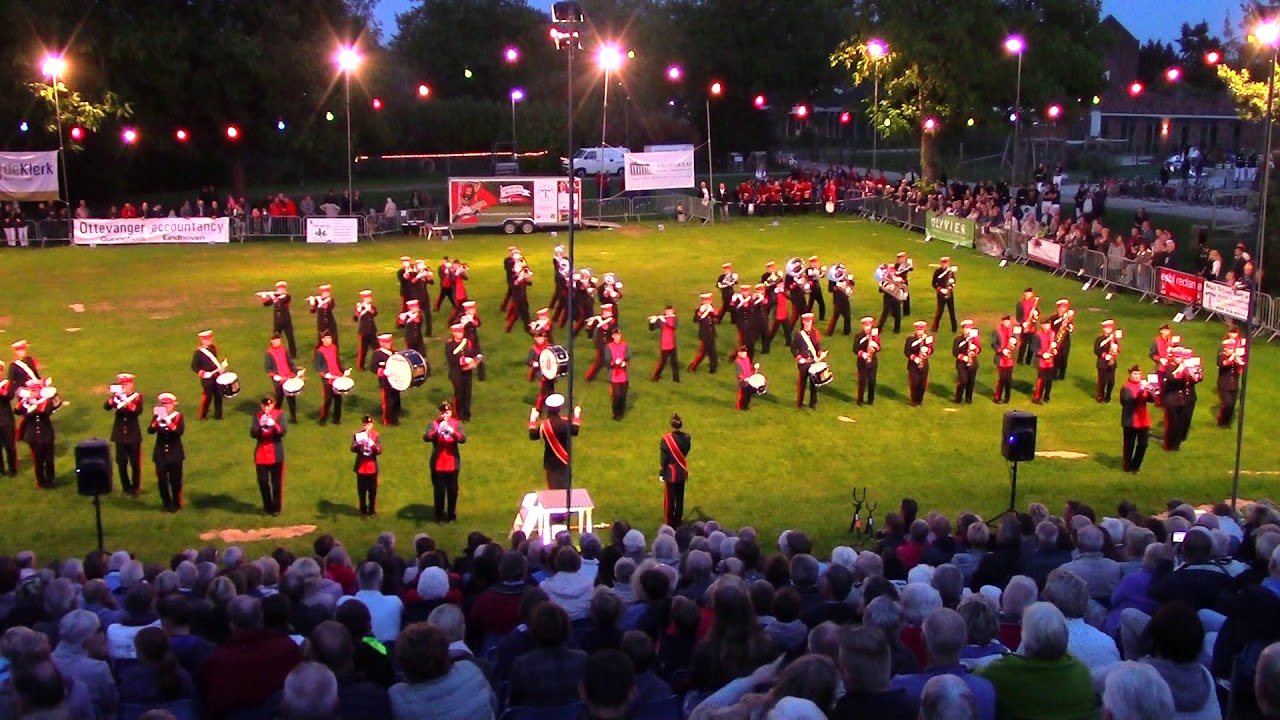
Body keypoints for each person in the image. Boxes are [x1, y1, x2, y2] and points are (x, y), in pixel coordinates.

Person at [424, 402, 466, 523]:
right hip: (438, 464)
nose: (444, 415)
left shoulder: (456, 424)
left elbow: (463, 439)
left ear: (451, 413)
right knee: (439, 491)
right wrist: (438, 432)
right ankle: (439, 516)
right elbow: (426, 437)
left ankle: (451, 515)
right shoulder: (433, 424)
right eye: (442, 413)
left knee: (453, 490)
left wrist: (452, 431)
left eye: (447, 413)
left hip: (452, 463)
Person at [529, 394, 581, 490]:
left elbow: (532, 435)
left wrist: (533, 419)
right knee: (566, 489)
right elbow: (575, 431)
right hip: (565, 460)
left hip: (550, 463)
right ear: (560, 408)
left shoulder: (544, 426)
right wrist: (577, 415)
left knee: (553, 490)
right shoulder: (566, 422)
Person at [104, 373, 144, 496]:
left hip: (133, 434)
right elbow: (106, 407)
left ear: (132, 385)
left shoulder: (137, 397)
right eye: (122, 384)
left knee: (135, 463)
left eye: (126, 384)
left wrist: (125, 400)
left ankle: (135, 487)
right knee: (121, 462)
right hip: (119, 434)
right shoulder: (117, 397)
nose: (124, 387)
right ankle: (125, 487)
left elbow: (137, 411)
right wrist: (113, 399)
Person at [148, 393, 186, 511]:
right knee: (162, 481)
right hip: (161, 454)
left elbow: (178, 432)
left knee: (175, 480)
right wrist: (158, 420)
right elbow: (150, 430)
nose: (166, 406)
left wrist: (168, 421)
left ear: (173, 404)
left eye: (168, 404)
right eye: (164, 404)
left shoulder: (178, 416)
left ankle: (176, 503)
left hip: (175, 454)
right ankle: (166, 503)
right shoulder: (157, 416)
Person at [250, 397, 287, 515]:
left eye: (269, 406)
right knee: (263, 482)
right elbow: (253, 434)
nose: (266, 408)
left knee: (277, 483)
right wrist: (260, 427)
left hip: (276, 453)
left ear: (274, 405)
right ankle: (267, 507)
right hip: (261, 453)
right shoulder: (257, 416)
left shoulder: (280, 415)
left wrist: (274, 425)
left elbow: (283, 432)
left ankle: (276, 508)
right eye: (264, 406)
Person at [659, 414, 692, 528]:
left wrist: (662, 472)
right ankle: (678, 520)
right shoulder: (687, 437)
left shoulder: (666, 440)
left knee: (670, 499)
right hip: (681, 472)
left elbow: (664, 459)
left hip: (671, 473)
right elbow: (686, 451)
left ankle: (670, 521)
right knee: (679, 497)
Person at [445, 324, 480, 422]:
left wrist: (474, 360)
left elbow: (473, 353)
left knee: (467, 393)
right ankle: (458, 415)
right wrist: (464, 360)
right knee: (459, 394)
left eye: (461, 331)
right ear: (453, 333)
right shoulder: (450, 345)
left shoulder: (467, 342)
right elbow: (451, 359)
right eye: (457, 332)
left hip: (467, 372)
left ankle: (467, 415)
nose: (460, 334)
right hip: (456, 373)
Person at [264, 334, 300, 424]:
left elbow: (290, 362)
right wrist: (274, 376)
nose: (277, 342)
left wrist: (296, 371)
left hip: (288, 378)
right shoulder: (269, 353)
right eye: (275, 340)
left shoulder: (284, 349)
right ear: (271, 341)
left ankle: (293, 417)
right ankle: (275, 417)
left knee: (291, 398)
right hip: (279, 381)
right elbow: (268, 368)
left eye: (279, 340)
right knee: (279, 399)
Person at [351, 415, 382, 517]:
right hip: (361, 468)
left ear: (372, 425)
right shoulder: (357, 435)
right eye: (365, 425)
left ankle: (372, 510)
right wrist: (360, 444)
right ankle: (363, 510)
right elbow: (352, 448)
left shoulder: (376, 435)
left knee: (372, 491)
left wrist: (372, 444)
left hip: (372, 467)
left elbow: (379, 451)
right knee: (362, 491)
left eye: (368, 425)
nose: (366, 427)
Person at [313, 333, 347, 425]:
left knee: (338, 399)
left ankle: (337, 419)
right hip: (327, 379)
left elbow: (338, 360)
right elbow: (316, 365)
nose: (329, 340)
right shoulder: (320, 351)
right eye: (327, 338)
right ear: (322, 339)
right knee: (328, 399)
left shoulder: (334, 348)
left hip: (337, 377)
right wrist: (324, 374)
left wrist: (344, 370)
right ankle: (323, 418)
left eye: (330, 338)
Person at [792, 312, 825, 409]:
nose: (808, 323)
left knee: (814, 383)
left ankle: (813, 403)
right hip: (804, 364)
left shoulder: (815, 333)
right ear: (803, 322)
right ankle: (800, 402)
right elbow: (793, 349)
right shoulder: (799, 335)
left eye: (810, 321)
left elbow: (816, 346)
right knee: (802, 383)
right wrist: (799, 358)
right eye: (806, 322)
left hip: (813, 362)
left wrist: (820, 352)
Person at [190, 330, 224, 421]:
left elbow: (214, 361)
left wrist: (220, 367)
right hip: (207, 378)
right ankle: (203, 415)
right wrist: (203, 373)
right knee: (207, 397)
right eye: (207, 339)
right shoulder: (198, 352)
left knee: (218, 395)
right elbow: (194, 366)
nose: (210, 340)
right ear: (202, 340)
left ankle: (218, 415)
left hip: (216, 375)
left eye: (210, 338)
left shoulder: (213, 348)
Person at [1217, 324, 1246, 427]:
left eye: (1232, 348)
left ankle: (1227, 422)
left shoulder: (1236, 357)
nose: (1231, 350)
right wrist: (1231, 358)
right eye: (1229, 348)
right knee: (1227, 403)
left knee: (1232, 405)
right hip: (1224, 384)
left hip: (1234, 384)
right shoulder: (1222, 355)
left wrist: (1239, 360)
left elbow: (1243, 364)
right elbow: (1221, 364)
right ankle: (1221, 420)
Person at [371, 334, 400, 427]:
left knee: (396, 399)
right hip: (385, 381)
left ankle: (395, 419)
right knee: (387, 401)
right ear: (381, 343)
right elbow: (373, 367)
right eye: (386, 342)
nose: (388, 344)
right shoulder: (377, 354)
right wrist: (382, 371)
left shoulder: (394, 352)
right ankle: (387, 420)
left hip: (395, 380)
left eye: (389, 342)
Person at [261, 281, 297, 357]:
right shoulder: (276, 297)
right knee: (275, 337)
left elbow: (283, 300)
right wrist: (264, 297)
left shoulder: (287, 296)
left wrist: (274, 297)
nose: (279, 291)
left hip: (286, 321)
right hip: (277, 321)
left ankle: (293, 354)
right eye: (278, 289)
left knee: (290, 337)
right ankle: (275, 352)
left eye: (281, 289)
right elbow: (266, 304)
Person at [688, 293, 719, 374]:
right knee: (702, 353)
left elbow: (716, 318)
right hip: (704, 335)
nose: (707, 302)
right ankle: (692, 367)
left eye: (708, 300)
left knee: (713, 352)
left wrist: (712, 311)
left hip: (711, 334)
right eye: (705, 301)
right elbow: (695, 320)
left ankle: (713, 369)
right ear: (702, 301)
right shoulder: (698, 310)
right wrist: (701, 311)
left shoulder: (712, 309)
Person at [853, 316, 881, 405]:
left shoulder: (875, 335)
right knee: (862, 381)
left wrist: (875, 347)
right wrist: (863, 354)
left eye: (869, 326)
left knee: (872, 381)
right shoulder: (859, 336)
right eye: (866, 326)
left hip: (873, 362)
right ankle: (860, 399)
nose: (867, 328)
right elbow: (855, 349)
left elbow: (879, 347)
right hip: (862, 362)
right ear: (863, 326)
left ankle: (870, 400)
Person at [905, 321, 933, 407]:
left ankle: (920, 400)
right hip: (913, 365)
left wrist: (926, 352)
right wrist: (915, 358)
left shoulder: (927, 339)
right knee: (915, 382)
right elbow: (907, 351)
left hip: (924, 364)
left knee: (922, 383)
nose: (920, 332)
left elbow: (931, 349)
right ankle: (914, 400)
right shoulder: (910, 339)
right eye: (918, 330)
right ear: (915, 330)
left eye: (921, 330)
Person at [991, 316, 1018, 404]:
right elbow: (993, 344)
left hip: (1010, 359)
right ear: (1002, 322)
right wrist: (1001, 350)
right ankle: (997, 397)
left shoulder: (1012, 330)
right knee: (1002, 378)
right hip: (1001, 359)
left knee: (1009, 379)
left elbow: (1017, 340)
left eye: (1008, 321)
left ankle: (1007, 397)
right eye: (1006, 321)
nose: (1007, 323)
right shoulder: (997, 331)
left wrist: (1015, 344)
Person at [606, 327, 631, 421]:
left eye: (619, 335)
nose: (618, 337)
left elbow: (628, 357)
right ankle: (615, 414)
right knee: (616, 395)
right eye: (616, 335)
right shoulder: (609, 346)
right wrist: (614, 363)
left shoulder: (625, 345)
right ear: (613, 336)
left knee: (623, 395)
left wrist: (625, 363)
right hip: (614, 376)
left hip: (623, 375)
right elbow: (607, 361)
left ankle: (621, 413)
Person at [649, 306, 680, 382]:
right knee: (663, 362)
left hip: (673, 344)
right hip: (665, 344)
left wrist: (664, 320)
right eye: (667, 311)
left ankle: (676, 379)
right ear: (665, 312)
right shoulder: (661, 320)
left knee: (674, 362)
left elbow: (673, 326)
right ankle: (655, 377)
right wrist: (652, 322)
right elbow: (652, 329)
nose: (669, 313)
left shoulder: (674, 319)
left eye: (671, 311)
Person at [952, 320, 980, 404]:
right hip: (961, 363)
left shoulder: (974, 339)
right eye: (966, 328)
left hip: (973, 362)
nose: (968, 330)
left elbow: (979, 349)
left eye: (969, 328)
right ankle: (958, 398)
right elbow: (955, 351)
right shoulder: (958, 339)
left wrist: (974, 350)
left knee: (971, 381)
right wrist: (963, 357)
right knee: (963, 381)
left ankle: (969, 398)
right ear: (963, 329)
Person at [1094, 320, 1121, 403]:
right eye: (1107, 328)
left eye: (1110, 328)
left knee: (1111, 381)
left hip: (1112, 363)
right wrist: (1105, 355)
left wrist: (1115, 351)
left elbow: (1118, 348)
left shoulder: (1114, 338)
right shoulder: (1099, 339)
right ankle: (1100, 396)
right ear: (1104, 329)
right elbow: (1096, 350)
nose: (1109, 330)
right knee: (1102, 381)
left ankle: (1108, 396)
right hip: (1102, 363)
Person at [354, 290, 379, 372]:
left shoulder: (372, 307)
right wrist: (359, 310)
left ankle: (378, 363)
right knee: (363, 350)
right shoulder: (361, 308)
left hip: (372, 330)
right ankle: (360, 366)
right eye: (367, 297)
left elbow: (374, 313)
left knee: (377, 348)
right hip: (364, 332)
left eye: (370, 297)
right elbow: (355, 318)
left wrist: (369, 308)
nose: (369, 299)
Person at [931, 257, 958, 333]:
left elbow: (954, 281)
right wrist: (940, 289)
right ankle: (935, 327)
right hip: (941, 294)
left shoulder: (950, 271)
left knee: (952, 310)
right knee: (939, 311)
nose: (945, 264)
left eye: (946, 263)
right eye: (943, 263)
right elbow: (933, 283)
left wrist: (950, 287)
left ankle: (954, 328)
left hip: (949, 293)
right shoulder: (938, 272)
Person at [0, 359, 18, 476]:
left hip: (6, 420)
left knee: (10, 446)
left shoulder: (7, 383)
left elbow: (9, 396)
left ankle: (12, 469)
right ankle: (1, 470)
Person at [1032, 319, 1056, 404]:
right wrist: (1042, 354)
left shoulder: (1052, 334)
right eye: (1046, 325)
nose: (1048, 327)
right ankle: (1037, 397)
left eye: (1049, 325)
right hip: (1041, 361)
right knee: (1041, 379)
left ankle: (1047, 396)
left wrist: (1054, 351)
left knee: (1049, 380)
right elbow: (1033, 348)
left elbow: (1053, 344)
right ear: (1042, 326)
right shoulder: (1037, 335)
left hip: (1050, 361)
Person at [309, 284, 339, 350]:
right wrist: (312, 303)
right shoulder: (318, 300)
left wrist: (320, 301)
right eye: (324, 293)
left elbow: (329, 307)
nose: (326, 294)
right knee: (320, 343)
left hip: (331, 325)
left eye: (327, 292)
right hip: (321, 324)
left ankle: (335, 358)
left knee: (334, 342)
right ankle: (317, 358)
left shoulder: (331, 300)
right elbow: (312, 311)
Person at [1050, 299, 1074, 380]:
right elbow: (1052, 327)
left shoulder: (1068, 319)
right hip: (1056, 340)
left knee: (1064, 359)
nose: (1063, 310)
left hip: (1065, 341)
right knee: (1056, 359)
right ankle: (1054, 375)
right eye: (1062, 308)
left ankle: (1062, 375)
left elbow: (1071, 328)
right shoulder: (1053, 318)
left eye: (1065, 308)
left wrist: (1068, 324)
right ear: (1058, 308)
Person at [827, 264, 853, 336]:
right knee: (835, 316)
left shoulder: (847, 277)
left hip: (845, 299)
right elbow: (830, 289)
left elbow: (852, 284)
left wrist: (849, 282)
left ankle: (847, 332)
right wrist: (837, 288)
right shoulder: (833, 278)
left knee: (847, 316)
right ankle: (829, 332)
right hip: (837, 300)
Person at [733, 346, 758, 411]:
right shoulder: (738, 362)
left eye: (745, 353)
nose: (744, 354)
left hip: (749, 379)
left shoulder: (747, 359)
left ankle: (746, 405)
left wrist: (754, 367)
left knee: (749, 394)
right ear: (739, 353)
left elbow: (749, 368)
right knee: (744, 394)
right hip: (743, 381)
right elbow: (739, 373)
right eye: (743, 353)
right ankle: (741, 406)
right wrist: (744, 378)